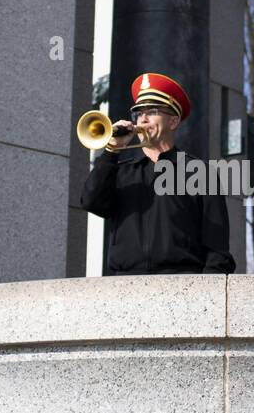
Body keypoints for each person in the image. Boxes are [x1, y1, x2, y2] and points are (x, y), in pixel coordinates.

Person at [80, 72, 236, 275]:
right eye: (138, 113)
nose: (142, 118)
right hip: (125, 286)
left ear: (173, 121)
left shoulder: (200, 173)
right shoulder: (121, 172)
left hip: (182, 285)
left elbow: (217, 250)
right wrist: (111, 151)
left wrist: (204, 298)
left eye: (152, 111)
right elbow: (90, 202)